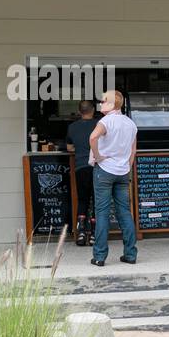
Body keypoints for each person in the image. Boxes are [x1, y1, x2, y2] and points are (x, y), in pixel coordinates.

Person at [88, 89, 137, 266]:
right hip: (122, 172)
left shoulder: (105, 121)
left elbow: (92, 137)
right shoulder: (131, 123)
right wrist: (127, 166)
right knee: (124, 211)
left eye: (103, 101)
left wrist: (98, 156)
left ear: (111, 104)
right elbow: (133, 151)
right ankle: (130, 254)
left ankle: (100, 256)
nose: (100, 104)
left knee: (102, 212)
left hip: (104, 170)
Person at [65, 100, 100, 246]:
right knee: (97, 201)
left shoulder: (72, 127)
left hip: (80, 167)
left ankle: (80, 234)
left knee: (83, 200)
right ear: (93, 110)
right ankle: (93, 235)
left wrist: (79, 149)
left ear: (79, 111)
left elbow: (69, 148)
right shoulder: (100, 125)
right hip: (97, 167)